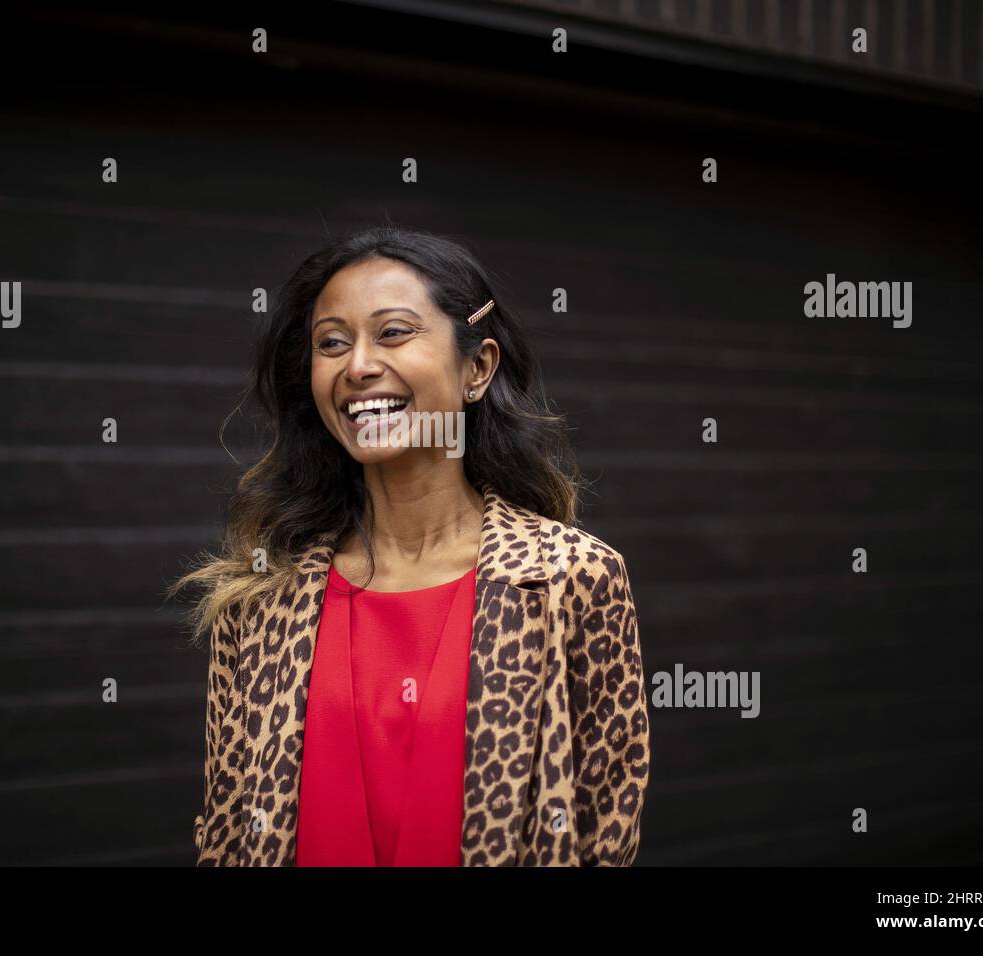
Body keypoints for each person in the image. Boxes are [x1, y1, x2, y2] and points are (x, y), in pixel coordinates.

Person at [170, 225, 650, 866]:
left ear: (476, 367)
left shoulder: (573, 578)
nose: (358, 365)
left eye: (393, 332)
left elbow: (603, 837)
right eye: (331, 343)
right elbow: (226, 830)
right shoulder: (259, 596)